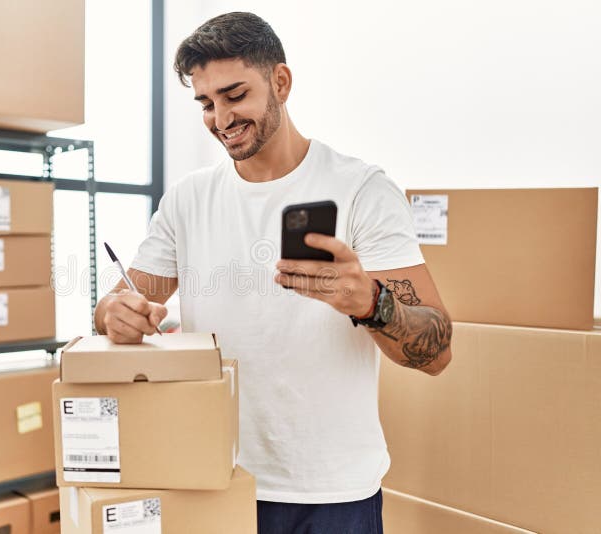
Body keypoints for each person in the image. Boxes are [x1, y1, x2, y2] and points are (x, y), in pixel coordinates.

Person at [94, 11, 452, 534]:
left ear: (280, 82)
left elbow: (438, 353)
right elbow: (118, 302)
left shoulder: (362, 190)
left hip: (332, 494)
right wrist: (113, 314)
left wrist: (372, 303)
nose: (220, 118)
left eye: (235, 95)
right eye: (206, 103)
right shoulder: (189, 199)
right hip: (217, 478)